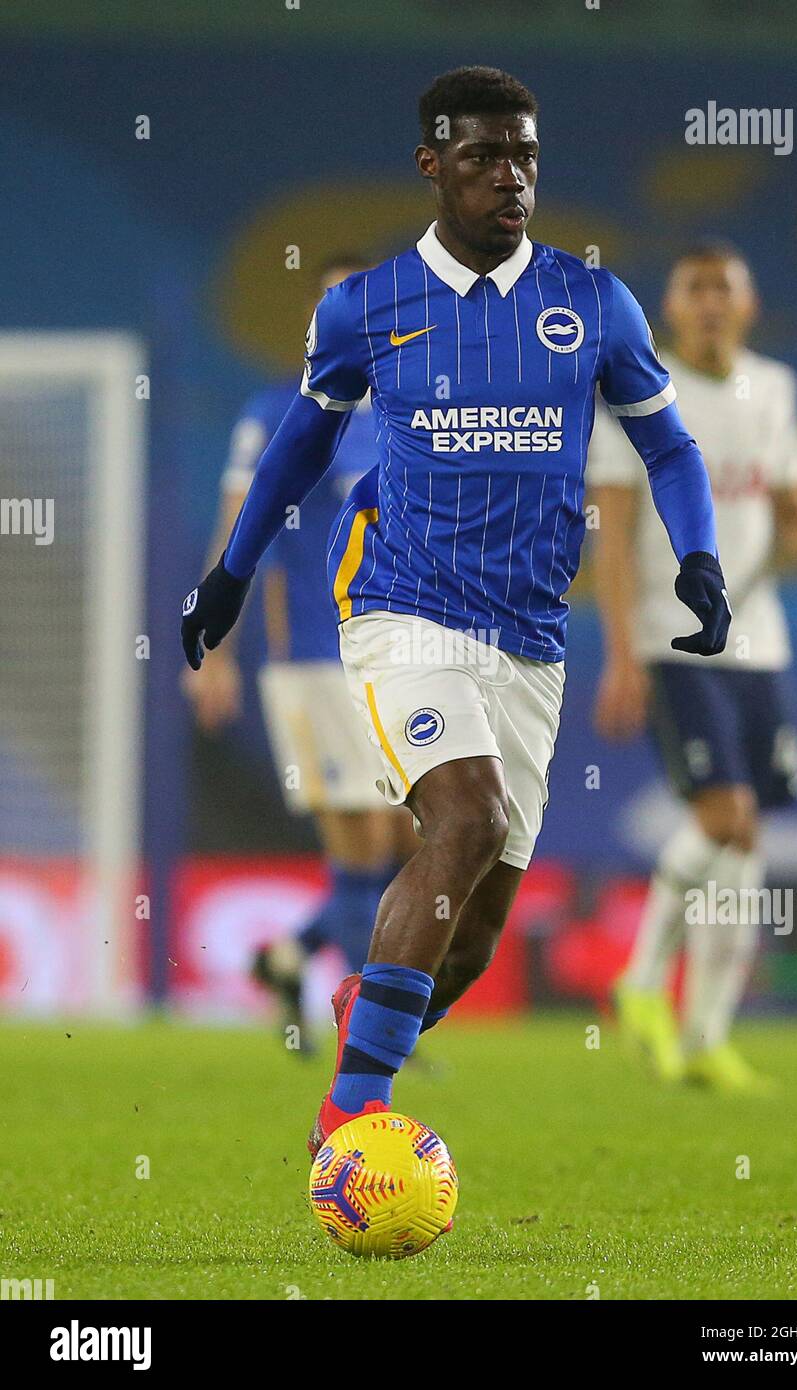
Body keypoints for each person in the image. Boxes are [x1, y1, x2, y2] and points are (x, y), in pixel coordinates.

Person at [181, 66, 731, 1154]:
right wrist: (233, 573)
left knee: (472, 940)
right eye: (483, 156)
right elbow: (300, 443)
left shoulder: (591, 302)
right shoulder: (365, 306)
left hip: (528, 640)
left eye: (524, 154)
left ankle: (361, 1024)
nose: (510, 176)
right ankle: (352, 1117)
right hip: (399, 609)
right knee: (464, 819)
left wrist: (699, 556)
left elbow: (666, 441)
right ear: (432, 166)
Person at [588, 242, 797, 1092]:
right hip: (671, 640)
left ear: (747, 304)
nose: (709, 302)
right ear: (670, 308)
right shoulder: (633, 393)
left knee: (747, 837)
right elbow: (611, 527)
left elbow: (786, 501)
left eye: (724, 288)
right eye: (693, 288)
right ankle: (639, 983)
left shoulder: (773, 389)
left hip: (758, 639)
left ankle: (706, 1035)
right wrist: (618, 653)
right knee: (724, 815)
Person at [182, 257, 417, 1045]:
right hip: (317, 657)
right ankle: (368, 1036)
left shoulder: (408, 411)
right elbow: (236, 528)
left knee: (411, 842)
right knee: (363, 836)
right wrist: (216, 648)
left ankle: (289, 956)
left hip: (399, 660)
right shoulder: (280, 409)